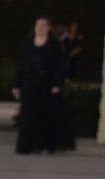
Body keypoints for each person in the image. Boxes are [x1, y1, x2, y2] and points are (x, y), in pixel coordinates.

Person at [13, 16, 76, 154]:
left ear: (48, 28)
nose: (40, 28)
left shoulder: (54, 45)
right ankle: (27, 146)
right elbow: (21, 66)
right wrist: (16, 85)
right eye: (38, 25)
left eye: (43, 25)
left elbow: (60, 66)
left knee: (45, 116)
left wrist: (56, 84)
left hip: (46, 86)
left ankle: (45, 144)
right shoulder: (27, 44)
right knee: (28, 116)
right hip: (29, 85)